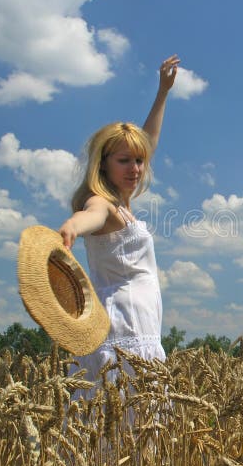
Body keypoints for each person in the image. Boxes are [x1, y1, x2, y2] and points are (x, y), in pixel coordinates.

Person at [59, 55, 180, 385]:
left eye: (139, 161)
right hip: (123, 326)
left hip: (139, 324)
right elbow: (90, 215)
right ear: (103, 165)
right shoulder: (103, 204)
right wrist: (73, 226)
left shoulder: (124, 207)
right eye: (124, 160)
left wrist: (163, 92)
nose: (135, 169)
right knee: (124, 424)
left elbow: (148, 142)